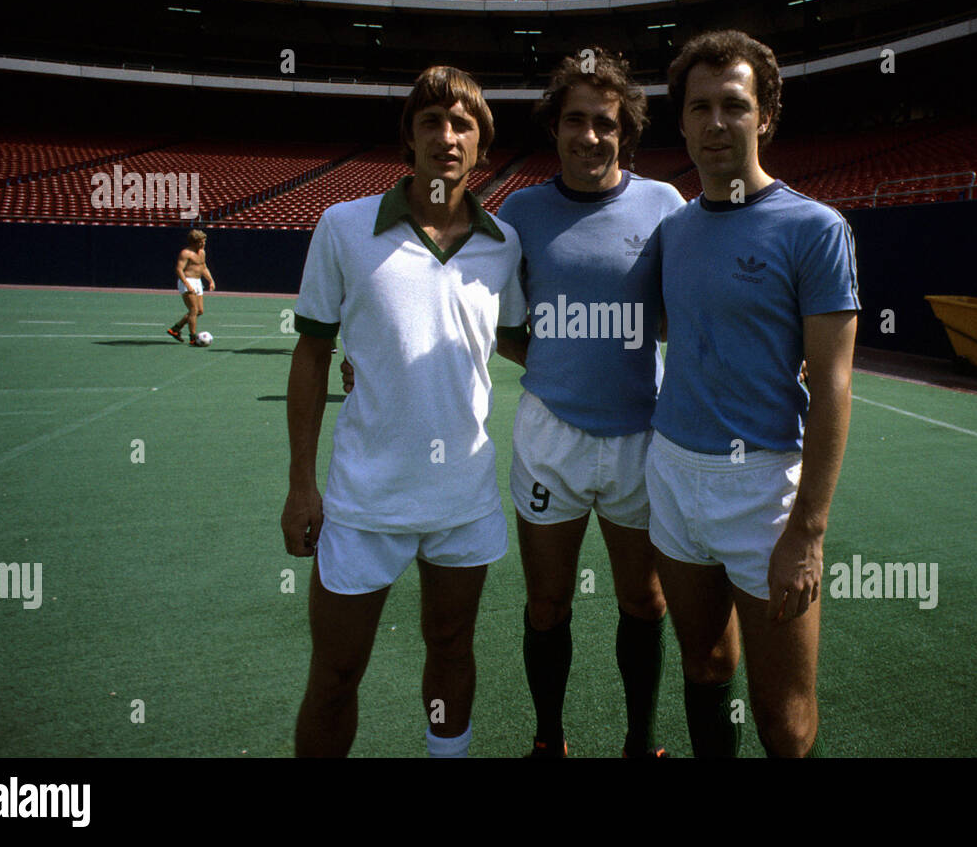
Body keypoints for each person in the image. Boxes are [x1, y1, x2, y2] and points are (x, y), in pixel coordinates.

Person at [342, 48, 685, 758]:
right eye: (574, 121)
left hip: (639, 438)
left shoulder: (664, 206)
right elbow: (491, 320)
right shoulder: (521, 214)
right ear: (553, 129)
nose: (589, 137)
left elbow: (688, 315)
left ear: (627, 133)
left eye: (605, 124)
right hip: (549, 440)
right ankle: (548, 741)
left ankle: (640, 742)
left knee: (644, 601)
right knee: (547, 604)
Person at [282, 65, 526, 758]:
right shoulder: (344, 227)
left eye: (463, 125)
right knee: (335, 672)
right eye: (431, 122)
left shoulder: (504, 245)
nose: (447, 136)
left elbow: (515, 341)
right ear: (409, 141)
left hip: (464, 498)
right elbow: (311, 354)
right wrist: (303, 483)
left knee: (451, 649)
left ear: (481, 146)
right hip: (363, 502)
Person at [647, 30, 860, 758]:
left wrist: (807, 532)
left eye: (733, 106)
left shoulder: (815, 229)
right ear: (680, 121)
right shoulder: (672, 229)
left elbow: (832, 391)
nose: (714, 123)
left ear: (764, 116)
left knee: (784, 717)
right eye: (698, 107)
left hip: (764, 492)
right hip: (671, 476)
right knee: (704, 665)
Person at [168, 229, 215, 345]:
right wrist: (187, 284)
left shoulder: (202, 252)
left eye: (204, 241)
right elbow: (179, 269)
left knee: (200, 311)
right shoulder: (185, 253)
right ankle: (193, 337)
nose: (204, 244)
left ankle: (175, 329)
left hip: (198, 282)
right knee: (193, 310)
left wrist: (211, 280)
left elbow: (203, 267)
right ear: (194, 242)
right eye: (201, 242)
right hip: (187, 281)